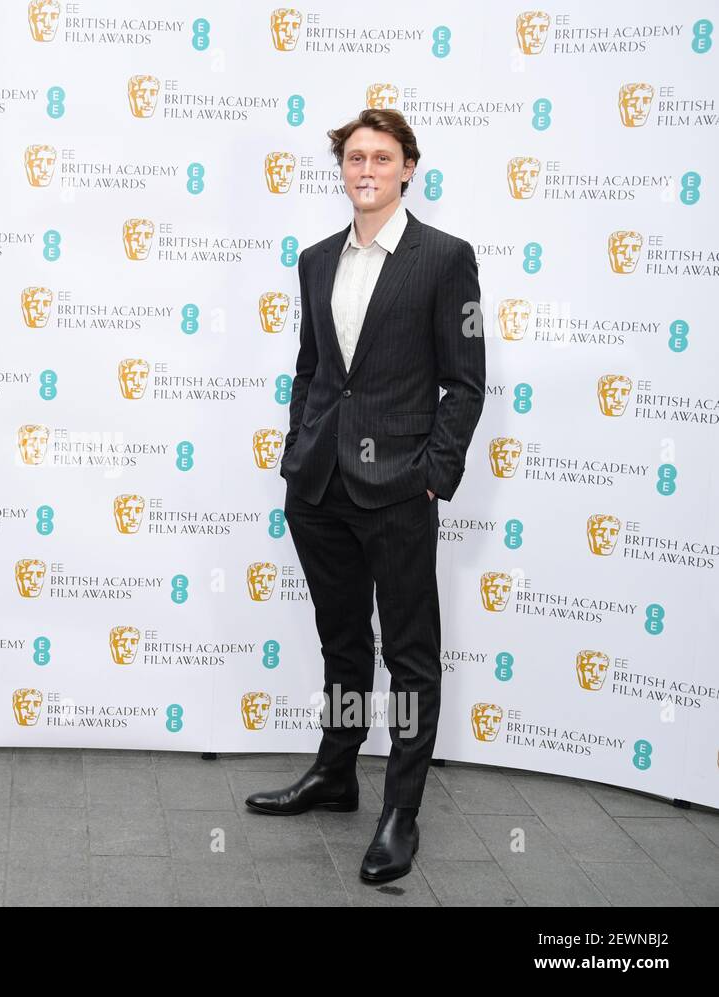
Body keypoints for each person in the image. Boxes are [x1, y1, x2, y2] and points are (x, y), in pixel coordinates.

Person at [245, 108, 485, 883]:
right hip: (318, 488)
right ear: (342, 168)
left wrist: (432, 475)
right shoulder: (317, 259)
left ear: (409, 168)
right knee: (343, 642)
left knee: (411, 657)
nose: (367, 168)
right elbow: (313, 369)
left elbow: (466, 380)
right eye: (355, 156)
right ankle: (337, 772)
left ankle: (399, 812)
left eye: (383, 156)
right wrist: (295, 453)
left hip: (397, 493)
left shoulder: (445, 259)